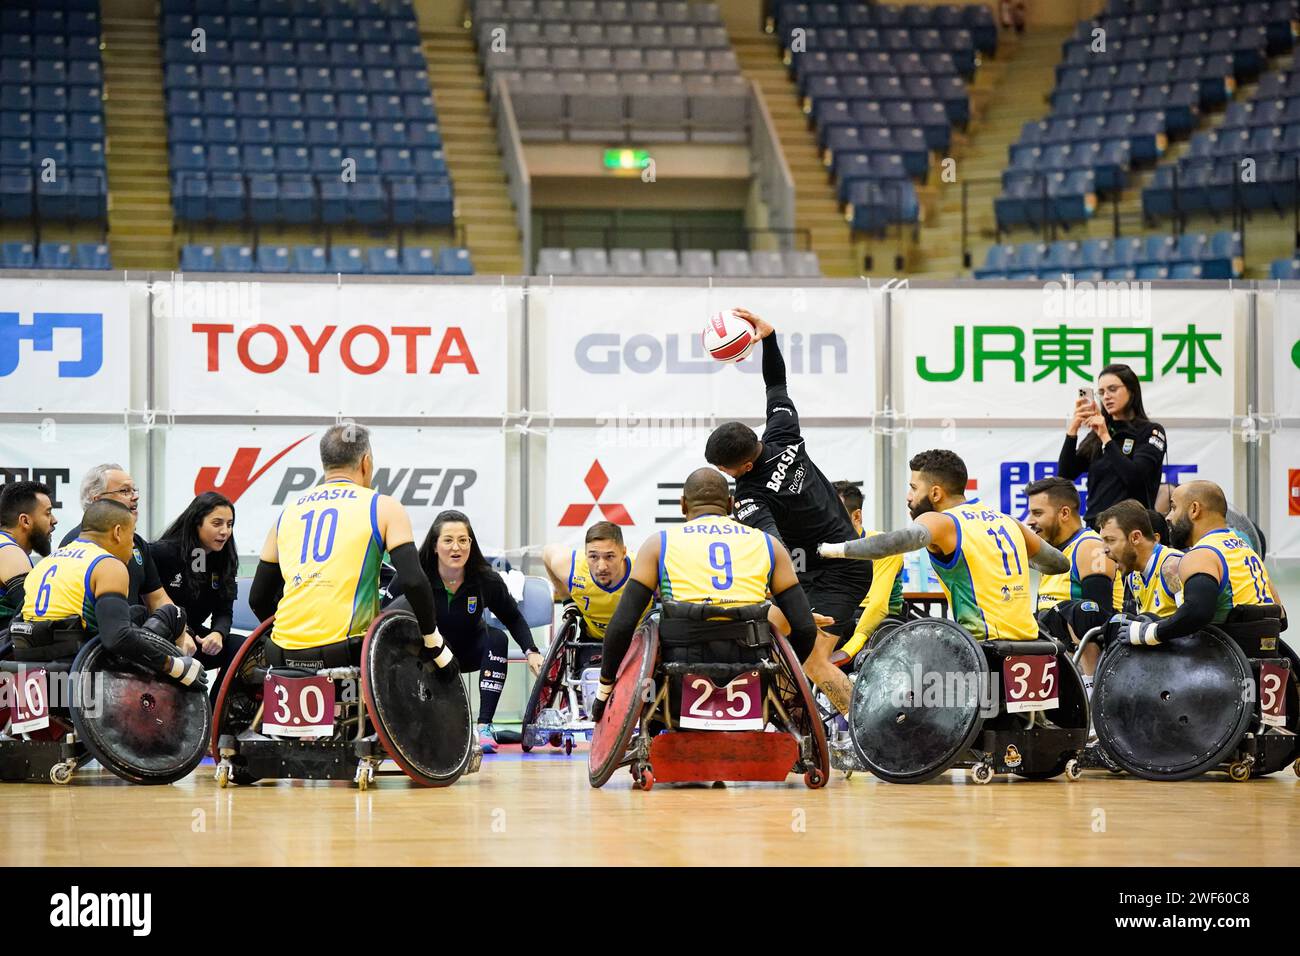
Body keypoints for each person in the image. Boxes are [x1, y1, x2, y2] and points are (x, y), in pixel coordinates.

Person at [704, 308, 870, 713]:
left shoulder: (750, 496)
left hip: (840, 574)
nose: (723, 475)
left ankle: (873, 738)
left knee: (814, 663)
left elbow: (773, 549)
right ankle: (795, 733)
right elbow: (775, 382)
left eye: (723, 469)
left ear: (741, 467)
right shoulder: (783, 433)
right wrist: (770, 337)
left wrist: (801, 612)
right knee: (761, 643)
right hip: (816, 570)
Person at [591, 467, 851, 720]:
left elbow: (623, 623)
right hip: (753, 667)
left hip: (679, 672)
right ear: (730, 504)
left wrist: (604, 688)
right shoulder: (768, 544)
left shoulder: (659, 543)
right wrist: (788, 681)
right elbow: (804, 628)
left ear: (683, 505)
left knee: (654, 624)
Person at [248, 423, 454, 687]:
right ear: (366, 463)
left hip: (281, 653)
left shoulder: (287, 513)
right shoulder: (383, 506)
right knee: (410, 603)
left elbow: (258, 598)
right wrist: (434, 642)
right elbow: (414, 582)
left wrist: (294, 637)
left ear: (325, 464)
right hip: (345, 651)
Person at [818, 450, 1070, 643]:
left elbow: (892, 542)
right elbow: (1059, 564)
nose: (909, 496)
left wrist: (829, 549)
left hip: (982, 648)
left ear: (936, 494)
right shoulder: (1008, 522)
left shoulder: (941, 521)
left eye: (914, 488)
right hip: (1032, 643)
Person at [388, 509, 544, 754]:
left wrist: (531, 650)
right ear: (435, 545)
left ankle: (484, 726)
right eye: (448, 540)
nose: (456, 548)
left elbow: (512, 617)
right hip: (429, 654)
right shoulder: (414, 577)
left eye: (463, 540)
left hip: (469, 652)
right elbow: (385, 617)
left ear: (471, 544)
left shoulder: (486, 579)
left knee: (497, 637)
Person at [16, 499, 203, 686]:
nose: (132, 545)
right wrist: (173, 665)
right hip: (84, 673)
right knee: (174, 613)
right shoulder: (107, 564)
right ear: (118, 532)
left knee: (137, 613)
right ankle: (179, 691)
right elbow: (117, 638)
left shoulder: (46, 563)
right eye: (133, 534)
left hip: (33, 672)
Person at [1106, 480, 1285, 646]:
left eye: (1174, 508)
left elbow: (1197, 613)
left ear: (1194, 509)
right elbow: (1282, 618)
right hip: (1265, 653)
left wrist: (1148, 633)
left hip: (1224, 661)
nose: (1168, 517)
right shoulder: (1246, 550)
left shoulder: (1201, 554)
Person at [1025, 476, 1123, 684]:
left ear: (1064, 513)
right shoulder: (1051, 553)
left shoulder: (1089, 546)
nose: (1029, 520)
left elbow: (1097, 616)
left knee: (1081, 611)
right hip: (1054, 647)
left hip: (1082, 654)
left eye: (1037, 513)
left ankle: (1090, 687)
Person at [152, 492, 243, 697]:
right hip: (163, 638)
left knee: (240, 647)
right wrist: (182, 634)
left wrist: (218, 634)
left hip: (194, 638)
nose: (224, 531)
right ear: (197, 523)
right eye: (217, 523)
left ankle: (216, 714)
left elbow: (224, 611)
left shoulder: (223, 560)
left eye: (229, 524)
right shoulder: (162, 553)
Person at [59, 464, 177, 618]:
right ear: (98, 501)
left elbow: (158, 598)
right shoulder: (73, 544)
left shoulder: (137, 542)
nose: (135, 496)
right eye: (124, 491)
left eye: (133, 490)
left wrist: (182, 629)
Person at [1058, 364, 1167, 526]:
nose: (1106, 396)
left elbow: (1135, 477)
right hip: (1095, 526)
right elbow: (1066, 474)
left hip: (1131, 526)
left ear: (1131, 390)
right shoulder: (1099, 432)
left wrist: (1105, 438)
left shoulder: (1150, 431)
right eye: (1101, 392)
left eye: (1112, 389)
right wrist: (1073, 429)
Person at [832, 480, 904, 666]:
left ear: (857, 517)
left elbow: (878, 606)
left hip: (878, 621)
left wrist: (847, 651)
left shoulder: (884, 546)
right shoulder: (826, 546)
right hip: (841, 616)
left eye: (835, 517)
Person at [542, 521, 640, 642]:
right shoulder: (573, 569)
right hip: (592, 641)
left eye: (609, 556)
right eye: (594, 557)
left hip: (637, 642)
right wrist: (567, 600)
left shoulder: (643, 569)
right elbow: (547, 553)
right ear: (585, 554)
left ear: (624, 553)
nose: (602, 566)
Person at [1096, 500, 1181, 619]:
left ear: (1135, 537)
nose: (1104, 549)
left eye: (1110, 540)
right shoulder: (1133, 575)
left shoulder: (1172, 566)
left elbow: (1192, 627)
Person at [0, 480, 56, 631]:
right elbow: (35, 614)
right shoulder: (9, 551)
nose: (54, 520)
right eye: (48, 513)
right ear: (25, 521)